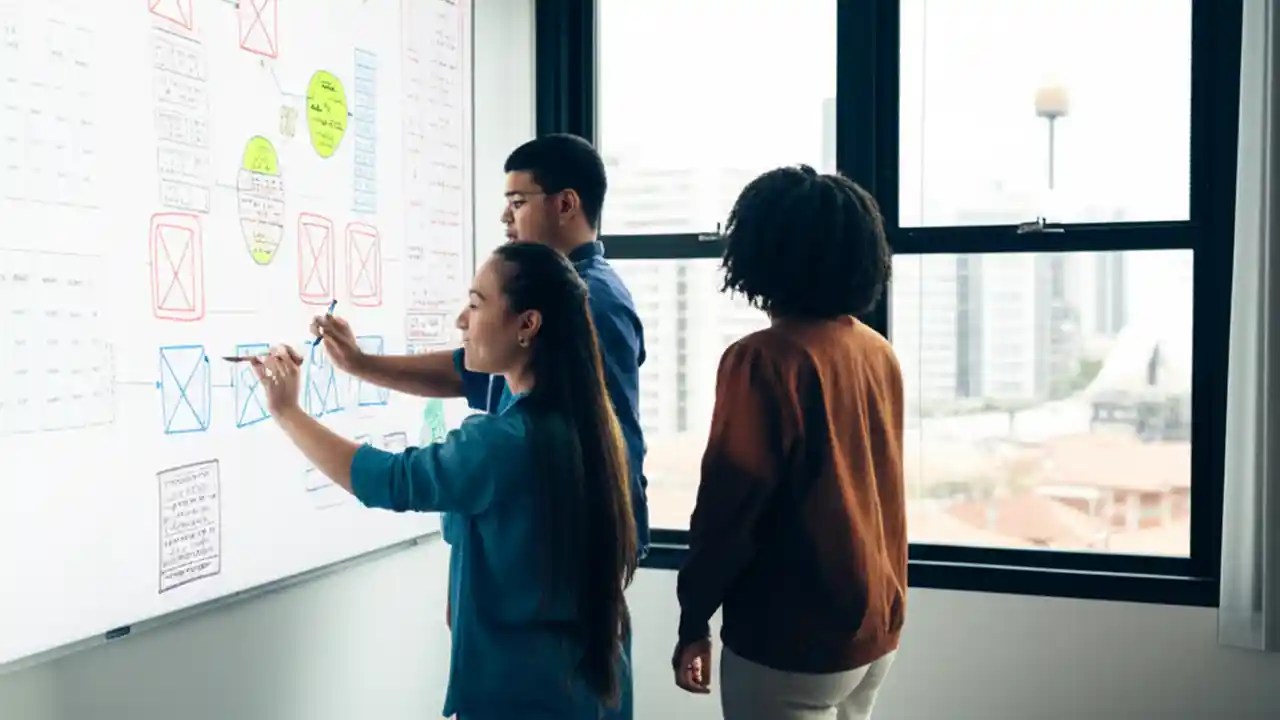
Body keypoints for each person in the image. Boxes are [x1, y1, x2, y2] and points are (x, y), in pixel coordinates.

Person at [249, 242, 638, 720]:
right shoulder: (588, 426)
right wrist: (358, 362)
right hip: (587, 691)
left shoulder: (503, 443)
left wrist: (287, 411)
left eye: (476, 304)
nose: (461, 321)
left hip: (522, 695)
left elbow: (390, 480)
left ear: (527, 325)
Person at [318, 134, 650, 559]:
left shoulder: (591, 301)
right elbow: (468, 374)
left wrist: (291, 405)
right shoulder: (557, 301)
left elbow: (604, 441)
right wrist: (360, 363)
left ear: (566, 204)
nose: (505, 217)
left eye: (518, 202)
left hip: (565, 547)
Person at [671, 165, 907, 720]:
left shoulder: (763, 359)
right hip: (874, 630)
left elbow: (729, 510)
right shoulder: (877, 351)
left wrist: (693, 620)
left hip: (791, 638)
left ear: (759, 250)